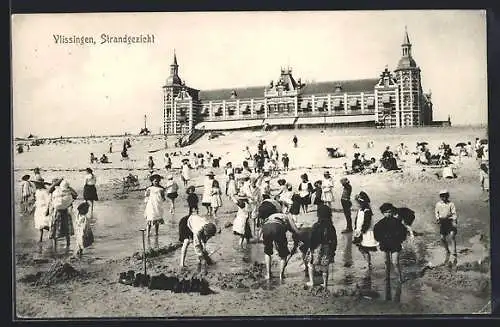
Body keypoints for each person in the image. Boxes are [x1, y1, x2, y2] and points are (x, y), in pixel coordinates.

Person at [301, 205, 337, 288]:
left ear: (318, 214)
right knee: (325, 266)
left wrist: (310, 248)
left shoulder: (316, 225)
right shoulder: (331, 226)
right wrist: (333, 250)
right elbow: (334, 239)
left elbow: (312, 238)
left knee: (311, 264)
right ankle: (325, 283)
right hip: (327, 247)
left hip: (316, 247)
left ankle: (312, 282)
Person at [374, 203, 408, 289]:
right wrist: (380, 240)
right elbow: (376, 233)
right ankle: (387, 277)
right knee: (386, 262)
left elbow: (403, 232)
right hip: (385, 244)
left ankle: (400, 278)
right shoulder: (380, 223)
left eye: (390, 212)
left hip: (395, 244)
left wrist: (400, 240)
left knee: (395, 262)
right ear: (383, 213)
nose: (388, 214)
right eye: (386, 212)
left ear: (392, 212)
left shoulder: (397, 222)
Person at [262, 211, 300, 280]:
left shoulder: (271, 215)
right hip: (278, 227)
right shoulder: (286, 216)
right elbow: (294, 229)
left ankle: (268, 274)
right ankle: (281, 275)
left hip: (266, 227)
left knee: (267, 252)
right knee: (283, 254)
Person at [48, 178, 77, 251]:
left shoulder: (56, 192)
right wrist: (68, 187)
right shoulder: (67, 194)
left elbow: (50, 189)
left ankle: (55, 248)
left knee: (55, 230)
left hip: (57, 212)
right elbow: (75, 194)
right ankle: (68, 246)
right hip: (65, 212)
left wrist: (58, 182)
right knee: (66, 230)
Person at [353, 191, 378, 269]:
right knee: (361, 248)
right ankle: (368, 263)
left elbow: (367, 223)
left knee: (364, 248)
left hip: (365, 232)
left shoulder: (367, 211)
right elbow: (357, 220)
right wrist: (356, 229)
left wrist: (362, 231)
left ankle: (368, 264)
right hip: (359, 231)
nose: (356, 204)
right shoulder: (360, 210)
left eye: (358, 203)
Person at [435, 190, 458, 266]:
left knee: (452, 236)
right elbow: (436, 212)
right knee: (442, 238)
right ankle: (447, 250)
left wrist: (454, 221)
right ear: (440, 197)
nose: (443, 197)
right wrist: (438, 218)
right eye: (442, 196)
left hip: (450, 221)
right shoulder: (438, 204)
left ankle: (454, 252)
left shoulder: (451, 204)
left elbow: (454, 214)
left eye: (445, 196)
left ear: (447, 196)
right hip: (442, 222)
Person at [32, 175, 51, 242]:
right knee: (39, 224)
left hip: (43, 208)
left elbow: (48, 201)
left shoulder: (44, 191)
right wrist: (33, 207)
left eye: (36, 184)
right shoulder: (37, 191)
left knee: (45, 224)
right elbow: (37, 200)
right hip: (38, 209)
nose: (35, 185)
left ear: (39, 184)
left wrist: (47, 210)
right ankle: (40, 239)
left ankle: (52, 233)